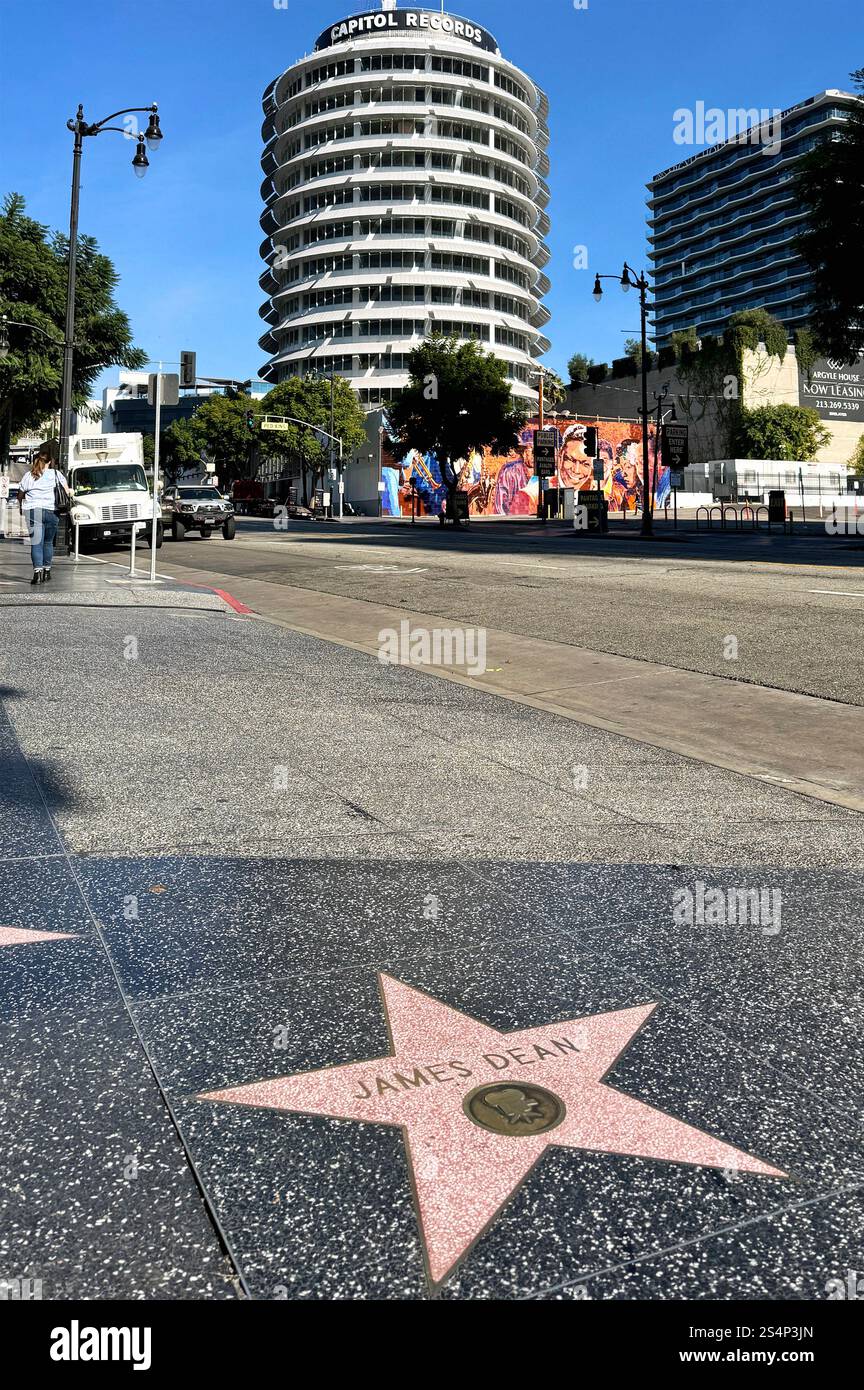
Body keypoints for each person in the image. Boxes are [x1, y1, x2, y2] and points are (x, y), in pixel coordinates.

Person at [17, 447, 72, 586]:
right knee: (48, 543)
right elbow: (66, 492)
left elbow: (20, 494)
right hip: (51, 511)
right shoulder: (56, 474)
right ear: (50, 462)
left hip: (33, 511)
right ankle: (47, 571)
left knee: (36, 543)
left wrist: (20, 506)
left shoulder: (29, 475)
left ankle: (37, 574)